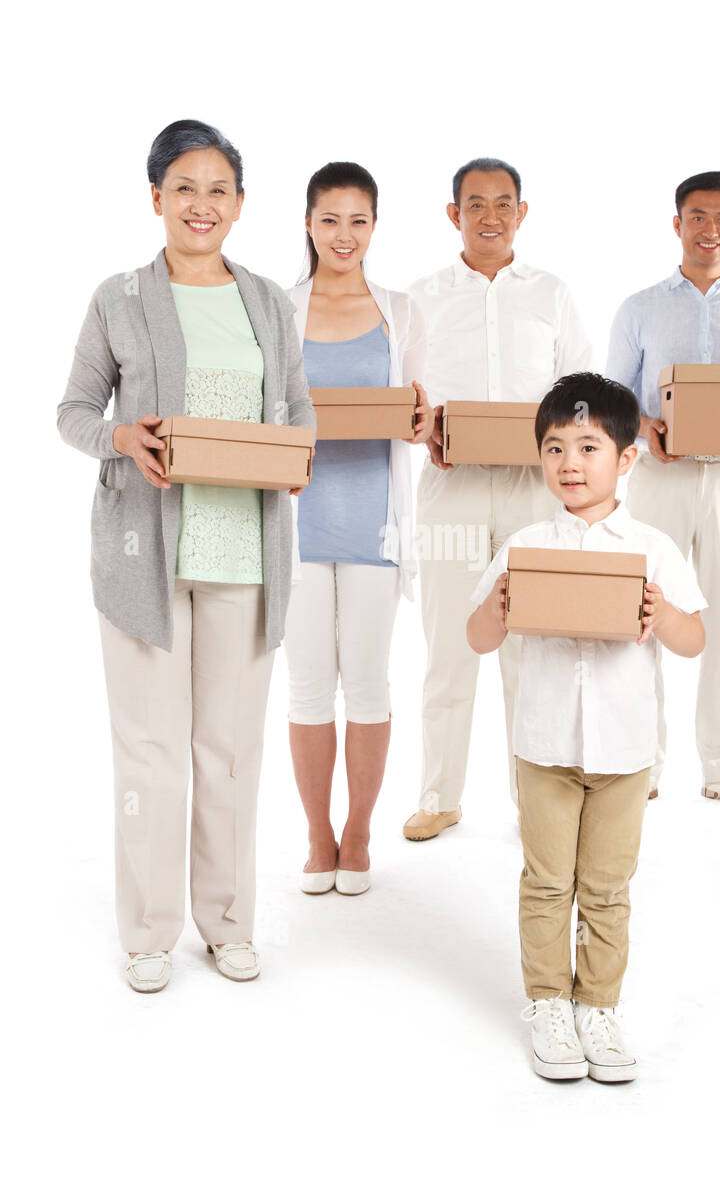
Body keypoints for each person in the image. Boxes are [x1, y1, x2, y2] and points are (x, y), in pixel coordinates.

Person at [57, 119, 315, 992]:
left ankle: (228, 921)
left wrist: (298, 460)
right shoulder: (119, 297)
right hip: (146, 559)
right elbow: (73, 412)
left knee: (229, 750)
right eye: (184, 189)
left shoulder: (272, 301)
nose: (201, 205)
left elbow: (298, 413)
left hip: (244, 547)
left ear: (239, 205)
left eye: (218, 191)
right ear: (156, 198)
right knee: (151, 753)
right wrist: (122, 436)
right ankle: (149, 931)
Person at [467, 373, 707, 1080]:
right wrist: (501, 607)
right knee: (546, 881)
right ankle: (548, 1002)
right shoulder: (525, 544)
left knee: (606, 885)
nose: (569, 464)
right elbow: (478, 637)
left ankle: (598, 1006)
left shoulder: (652, 548)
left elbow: (693, 638)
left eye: (588, 447)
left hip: (625, 753)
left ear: (626, 459)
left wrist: (658, 613)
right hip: (544, 746)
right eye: (554, 447)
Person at [404, 157, 593, 842]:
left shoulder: (551, 294)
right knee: (449, 645)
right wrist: (422, 429)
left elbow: (582, 395)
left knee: (530, 648)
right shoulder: (420, 298)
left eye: (503, 203)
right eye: (475, 204)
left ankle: (532, 802)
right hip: (451, 485)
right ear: (454, 215)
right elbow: (406, 400)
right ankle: (439, 794)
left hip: (531, 490)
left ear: (521, 212)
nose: (490, 215)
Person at [607, 170, 720, 811]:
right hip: (661, 477)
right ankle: (642, 764)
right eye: (698, 216)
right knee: (644, 613)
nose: (709, 230)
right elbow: (614, 394)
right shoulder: (640, 307)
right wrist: (647, 423)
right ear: (677, 223)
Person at [285, 162, 433, 894]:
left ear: (375, 226)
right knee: (310, 689)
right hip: (299, 530)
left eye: (359, 220)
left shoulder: (400, 311)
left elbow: (422, 420)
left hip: (375, 526)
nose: (344, 235)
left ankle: (358, 831)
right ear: (308, 224)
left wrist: (421, 419)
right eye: (330, 219)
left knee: (368, 686)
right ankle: (317, 834)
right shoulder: (276, 309)